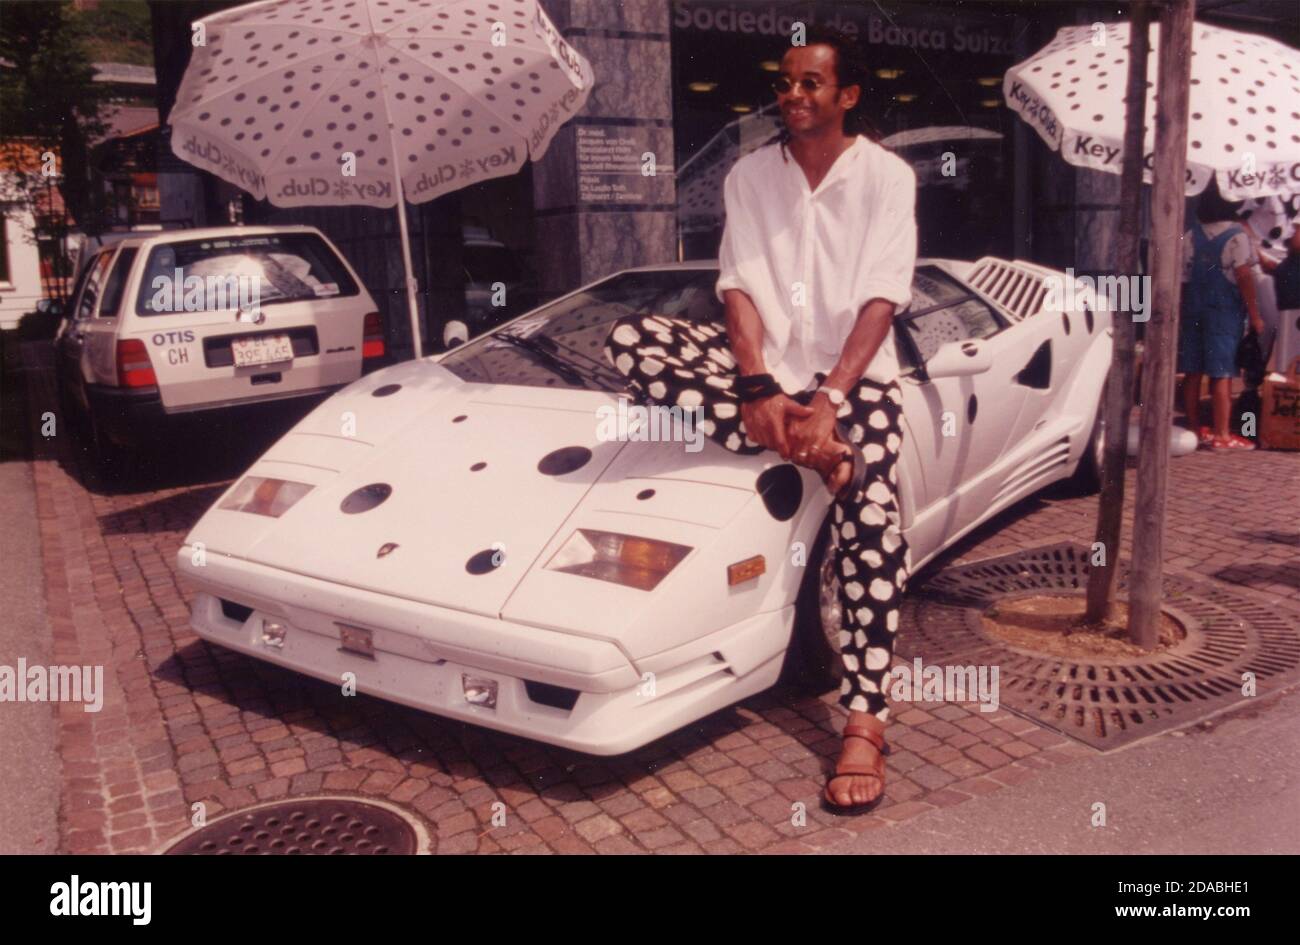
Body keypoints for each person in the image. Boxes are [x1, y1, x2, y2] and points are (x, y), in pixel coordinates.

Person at [605, 24, 916, 815]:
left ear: (846, 96)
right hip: (768, 377)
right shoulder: (748, 176)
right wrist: (757, 387)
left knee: (874, 519)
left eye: (810, 83)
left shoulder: (887, 177)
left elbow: (882, 296)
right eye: (785, 81)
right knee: (631, 337)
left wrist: (830, 402)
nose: (792, 94)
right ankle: (825, 458)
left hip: (854, 381)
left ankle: (865, 716)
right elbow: (738, 287)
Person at [1177, 183, 1266, 450]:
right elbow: (1243, 276)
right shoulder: (1237, 236)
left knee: (1192, 371)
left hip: (1193, 308)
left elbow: (1184, 276)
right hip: (1223, 311)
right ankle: (1222, 434)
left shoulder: (1191, 235)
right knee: (1222, 372)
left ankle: (1194, 428)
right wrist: (1255, 314)